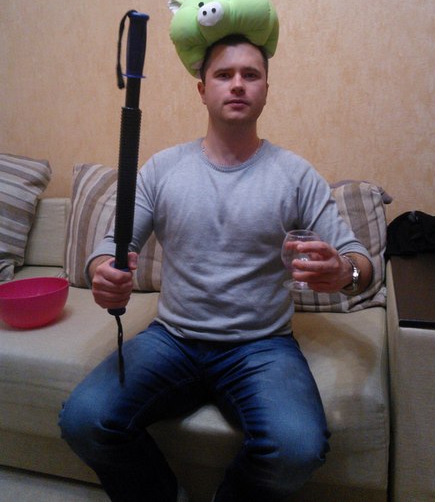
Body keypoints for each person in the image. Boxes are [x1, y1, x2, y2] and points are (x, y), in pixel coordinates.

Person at [59, 34, 373, 502]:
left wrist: (345, 273)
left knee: (297, 450)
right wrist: (103, 270)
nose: (238, 84)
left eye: (251, 75)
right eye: (224, 75)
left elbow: (360, 261)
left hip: (261, 344)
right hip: (173, 338)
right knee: (83, 420)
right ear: (202, 89)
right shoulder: (163, 168)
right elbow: (112, 246)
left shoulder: (295, 174)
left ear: (266, 89)